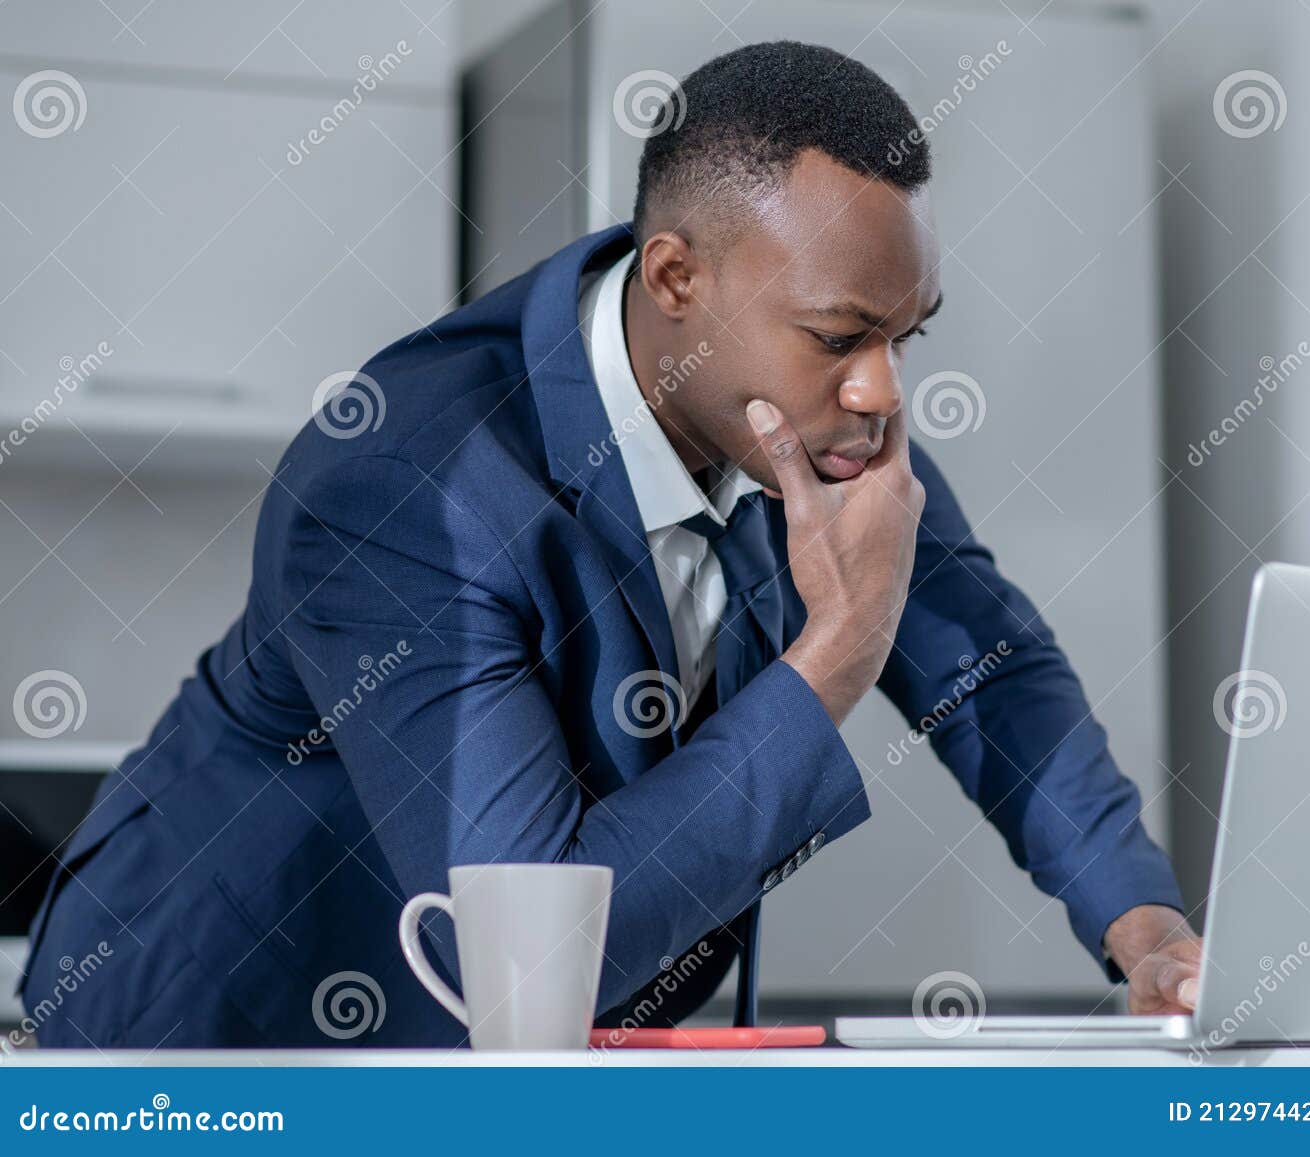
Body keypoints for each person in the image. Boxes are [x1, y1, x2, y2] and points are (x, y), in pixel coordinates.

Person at [21, 40, 1200, 1047]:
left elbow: (991, 667)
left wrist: (1141, 926)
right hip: (215, 1047)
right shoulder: (409, 481)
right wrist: (837, 651)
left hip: (516, 1066)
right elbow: (534, 951)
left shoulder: (818, 423)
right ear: (676, 276)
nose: (883, 390)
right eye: (841, 335)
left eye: (906, 335)